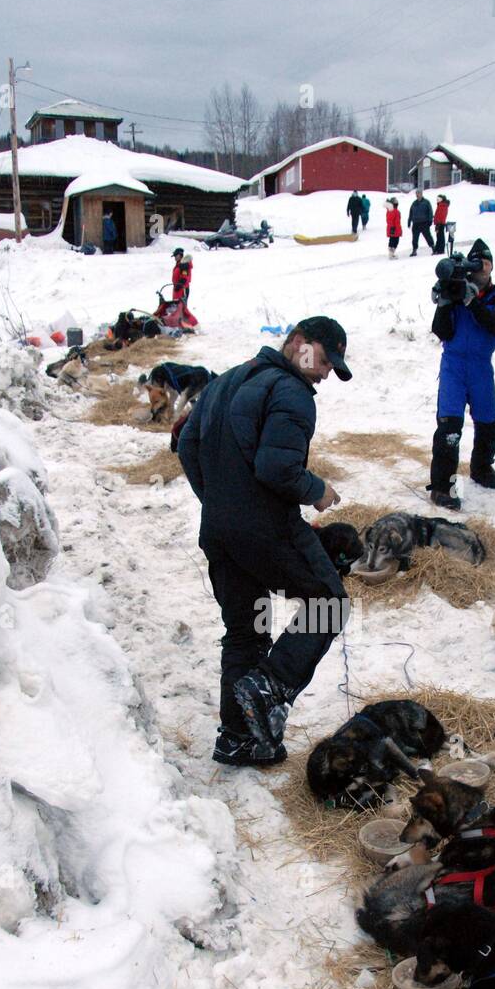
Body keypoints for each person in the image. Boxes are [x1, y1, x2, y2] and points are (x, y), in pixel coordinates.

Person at [178, 317, 352, 766]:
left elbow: (188, 446)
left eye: (332, 366)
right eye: (325, 359)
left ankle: (240, 737)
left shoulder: (226, 380)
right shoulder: (291, 392)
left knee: (247, 628)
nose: (326, 372)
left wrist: (219, 502)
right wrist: (318, 491)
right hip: (267, 530)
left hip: (220, 530)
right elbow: (277, 470)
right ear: (298, 342)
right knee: (329, 602)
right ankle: (269, 686)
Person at [428, 238, 495, 508]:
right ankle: (444, 488)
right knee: (449, 429)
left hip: (480, 366)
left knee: (489, 424)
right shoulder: (454, 292)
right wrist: (444, 303)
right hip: (453, 366)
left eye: (485, 263)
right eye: (477, 263)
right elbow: (442, 331)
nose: (481, 269)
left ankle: (481, 468)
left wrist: (472, 301)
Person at [408, 189, 435, 255]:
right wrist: (409, 221)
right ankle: (414, 250)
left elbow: (430, 212)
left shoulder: (426, 202)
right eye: (416, 194)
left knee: (428, 236)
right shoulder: (414, 203)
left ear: (421, 194)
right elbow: (411, 212)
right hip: (416, 223)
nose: (417, 195)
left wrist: (430, 220)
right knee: (415, 238)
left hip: (424, 223)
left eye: (419, 193)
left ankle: (433, 248)